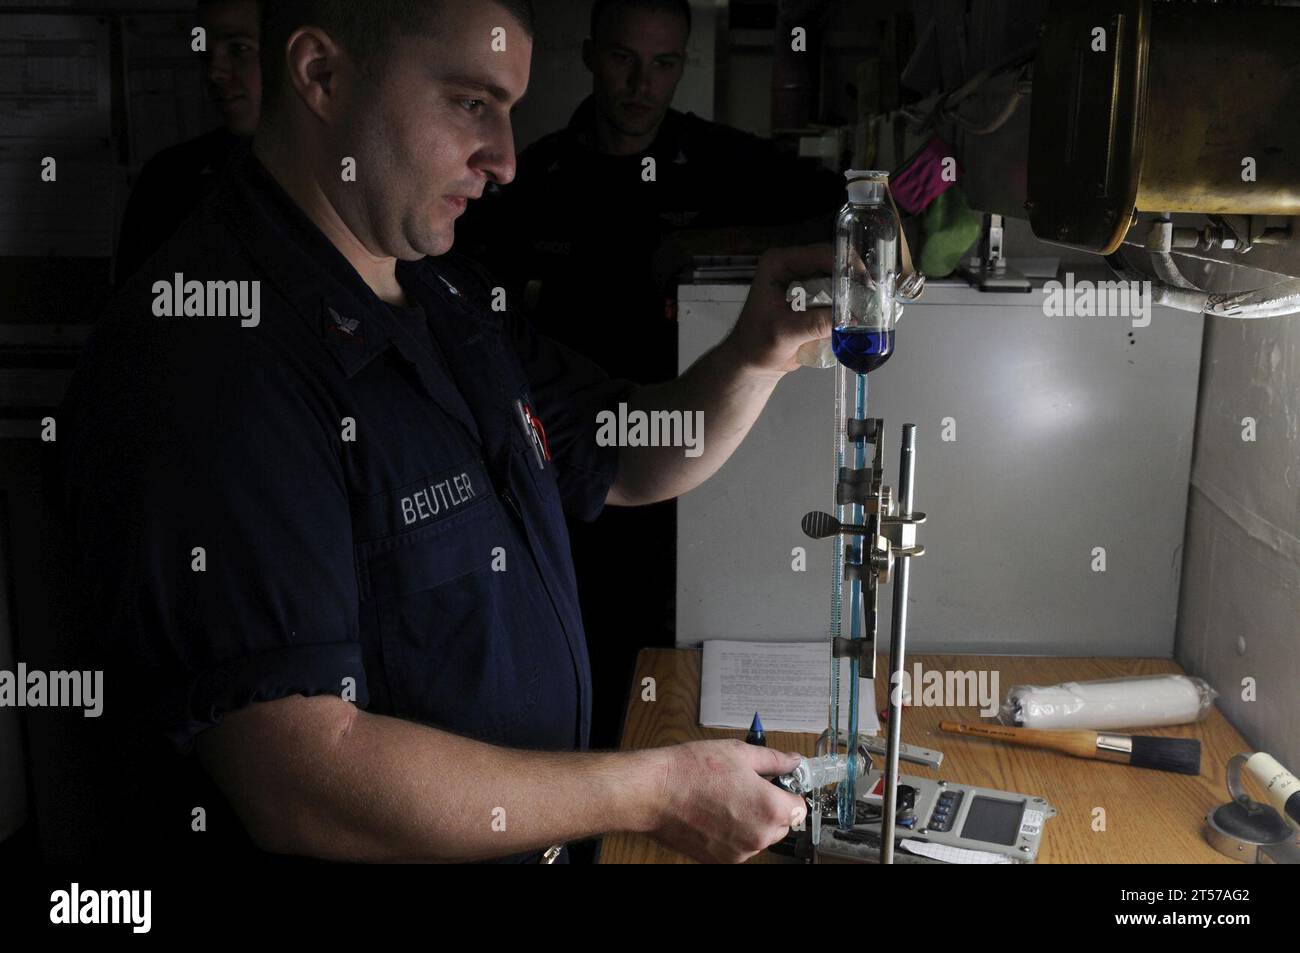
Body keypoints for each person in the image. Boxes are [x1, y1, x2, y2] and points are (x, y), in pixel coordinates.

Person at [58, 0, 832, 865]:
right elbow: (300, 776)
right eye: (470, 103)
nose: (504, 158)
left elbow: (626, 456)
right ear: (320, 74)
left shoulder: (440, 292)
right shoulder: (214, 354)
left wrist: (756, 353)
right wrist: (654, 791)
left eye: (507, 109)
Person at [460, 0, 846, 749]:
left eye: (664, 64)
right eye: (624, 60)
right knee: (581, 667)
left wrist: (715, 241)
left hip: (687, 456)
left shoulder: (719, 160)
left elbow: (841, 211)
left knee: (682, 663)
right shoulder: (529, 176)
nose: (642, 84)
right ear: (591, 55)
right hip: (566, 463)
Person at [114, 0, 262, 287]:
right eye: (206, 55)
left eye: (238, 48)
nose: (214, 72)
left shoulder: (340, 182)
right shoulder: (168, 178)